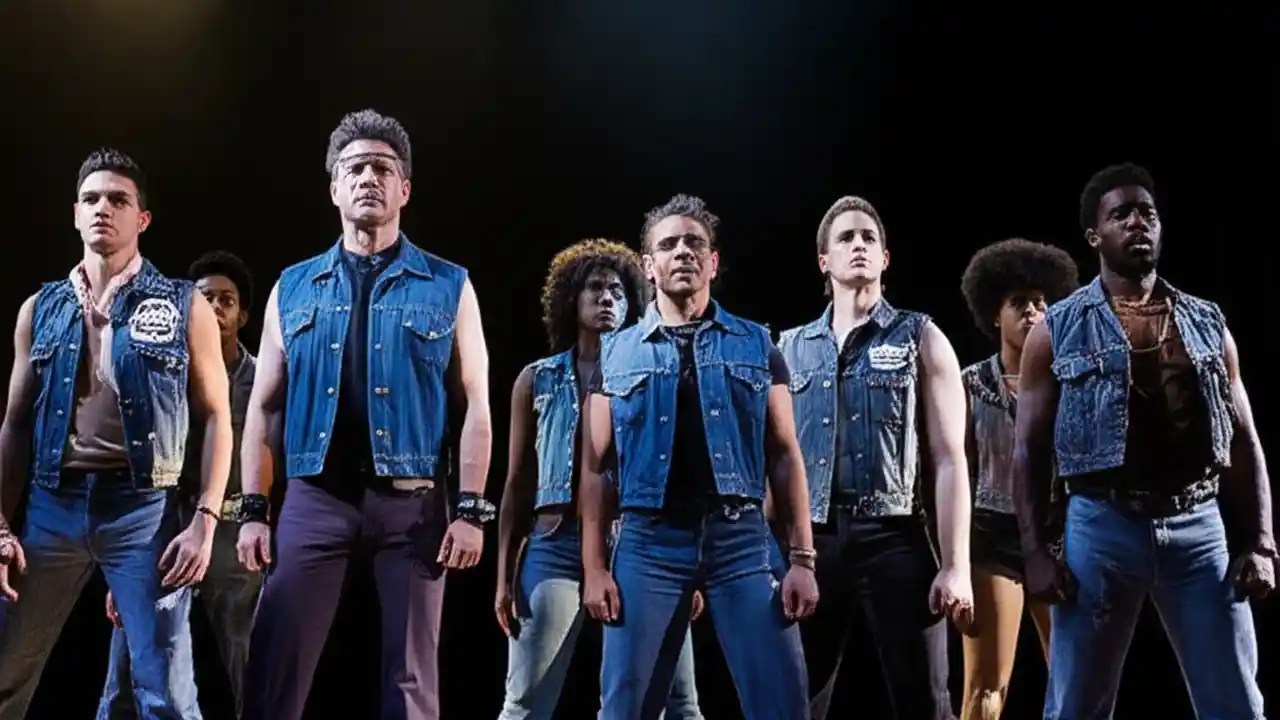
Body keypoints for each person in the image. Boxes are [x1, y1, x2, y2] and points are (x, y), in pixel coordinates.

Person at [236, 109, 493, 720]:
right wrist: (252, 510)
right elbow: (263, 406)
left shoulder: (449, 284)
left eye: (384, 168)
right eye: (355, 168)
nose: (368, 178)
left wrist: (473, 510)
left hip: (414, 505)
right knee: (275, 666)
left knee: (410, 680)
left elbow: (476, 403)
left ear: (405, 188)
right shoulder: (291, 287)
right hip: (313, 498)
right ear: (334, 188)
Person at [1012, 162, 1274, 719]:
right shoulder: (1056, 328)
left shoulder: (1207, 322)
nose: (1138, 222)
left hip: (1198, 525)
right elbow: (1028, 449)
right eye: (1121, 214)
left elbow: (1245, 437)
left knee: (1237, 703)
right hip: (1102, 524)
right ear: (1094, 235)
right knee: (1076, 705)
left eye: (1147, 212)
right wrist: (1035, 550)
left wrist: (1261, 541)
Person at [0, 148, 232, 720]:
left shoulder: (183, 304)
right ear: (75, 214)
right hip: (53, 505)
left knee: (167, 695)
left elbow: (218, 417)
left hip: (142, 510)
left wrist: (205, 520)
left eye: (118, 200)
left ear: (142, 219)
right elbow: (15, 422)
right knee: (5, 669)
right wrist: (1, 524)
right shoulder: (41, 307)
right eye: (91, 199)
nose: (103, 208)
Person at [580, 194, 818, 720]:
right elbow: (596, 468)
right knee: (624, 706)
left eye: (695, 244)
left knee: (782, 702)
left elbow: (785, 454)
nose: (682, 252)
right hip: (648, 544)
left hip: (742, 541)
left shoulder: (757, 343)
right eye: (668, 244)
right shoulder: (616, 353)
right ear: (649, 265)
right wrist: (595, 568)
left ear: (712, 262)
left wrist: (801, 559)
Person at [777, 195, 973, 720]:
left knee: (927, 703)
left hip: (895, 537)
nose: (858, 244)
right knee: (795, 701)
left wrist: (956, 566)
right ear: (824, 261)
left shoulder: (921, 336)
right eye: (845, 237)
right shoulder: (788, 348)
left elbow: (951, 459)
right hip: (812, 544)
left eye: (869, 237)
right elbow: (771, 461)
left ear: (886, 257)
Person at [494, 239, 703, 719]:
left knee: (680, 701)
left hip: (639, 543)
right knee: (524, 701)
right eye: (594, 287)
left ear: (635, 301)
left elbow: (680, 475)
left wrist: (688, 565)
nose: (606, 297)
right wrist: (504, 577)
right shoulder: (536, 378)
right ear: (572, 298)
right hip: (555, 543)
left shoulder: (656, 372)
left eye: (616, 289)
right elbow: (516, 483)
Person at [101, 251, 265, 718]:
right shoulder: (161, 375)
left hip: (234, 535)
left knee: (247, 661)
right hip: (166, 527)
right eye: (204, 297)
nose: (214, 307)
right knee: (133, 662)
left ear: (243, 314)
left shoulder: (262, 382)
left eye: (226, 300)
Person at [956, 238, 1078, 719]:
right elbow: (954, 472)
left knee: (1075, 679)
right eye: (1019, 304)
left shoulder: (1069, 383)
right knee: (986, 687)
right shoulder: (970, 385)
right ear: (994, 314)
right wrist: (954, 562)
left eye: (1041, 304)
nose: (1033, 313)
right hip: (991, 537)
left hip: (1057, 538)